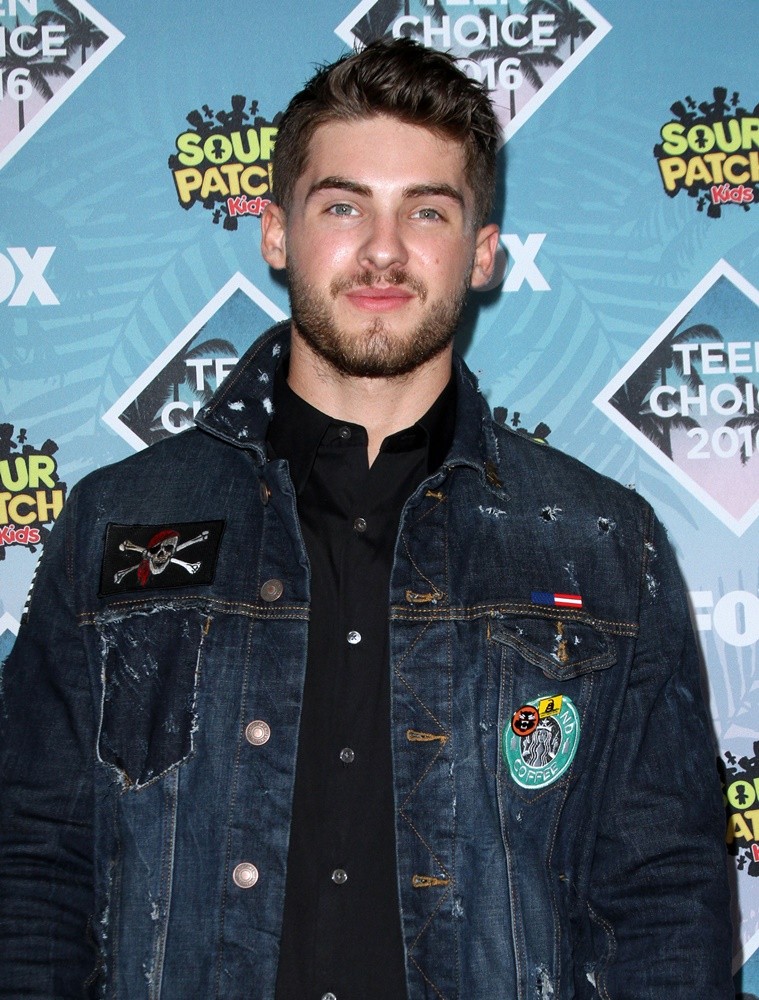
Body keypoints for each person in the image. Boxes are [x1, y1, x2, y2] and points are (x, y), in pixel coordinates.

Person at [0, 37, 733, 1000]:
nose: (382, 249)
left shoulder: (598, 541)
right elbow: (31, 872)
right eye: (342, 205)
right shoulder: (119, 520)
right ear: (274, 233)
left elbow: (667, 900)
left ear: (481, 253)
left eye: (425, 210)